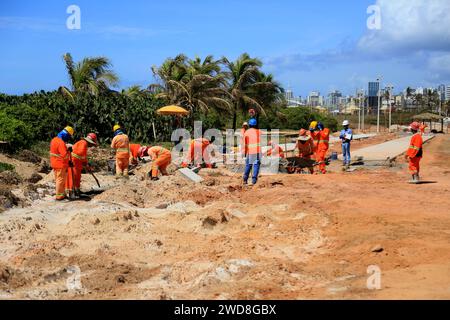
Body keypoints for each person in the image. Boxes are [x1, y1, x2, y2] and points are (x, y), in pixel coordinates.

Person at [65, 133, 98, 198]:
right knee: (73, 176)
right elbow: (80, 153)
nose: (91, 145)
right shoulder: (84, 143)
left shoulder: (83, 143)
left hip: (77, 162)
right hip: (74, 161)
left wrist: (85, 162)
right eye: (92, 144)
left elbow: (82, 155)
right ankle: (71, 193)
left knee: (77, 176)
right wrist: (85, 162)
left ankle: (77, 191)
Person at [49, 126, 74, 201]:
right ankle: (59, 196)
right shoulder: (61, 142)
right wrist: (69, 151)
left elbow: (57, 152)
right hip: (60, 164)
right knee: (60, 180)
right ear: (66, 135)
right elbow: (65, 155)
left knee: (59, 179)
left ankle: (62, 194)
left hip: (54, 163)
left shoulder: (54, 140)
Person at [242, 118, 261, 185]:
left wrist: (244, 153)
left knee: (248, 165)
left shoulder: (246, 132)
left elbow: (245, 144)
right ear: (256, 125)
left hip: (250, 152)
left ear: (249, 125)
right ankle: (254, 181)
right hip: (257, 152)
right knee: (256, 165)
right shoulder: (258, 132)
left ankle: (245, 179)